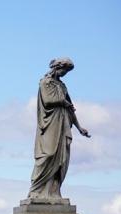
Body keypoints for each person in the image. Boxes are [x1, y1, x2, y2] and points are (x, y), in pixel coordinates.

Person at [28, 57, 90, 200]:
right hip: (50, 124)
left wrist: (79, 127)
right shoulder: (45, 83)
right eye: (64, 70)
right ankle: (36, 190)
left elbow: (70, 108)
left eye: (67, 72)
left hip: (63, 123)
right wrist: (63, 102)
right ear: (57, 67)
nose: (64, 73)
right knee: (48, 155)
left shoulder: (62, 86)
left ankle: (54, 192)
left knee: (61, 158)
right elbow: (48, 101)